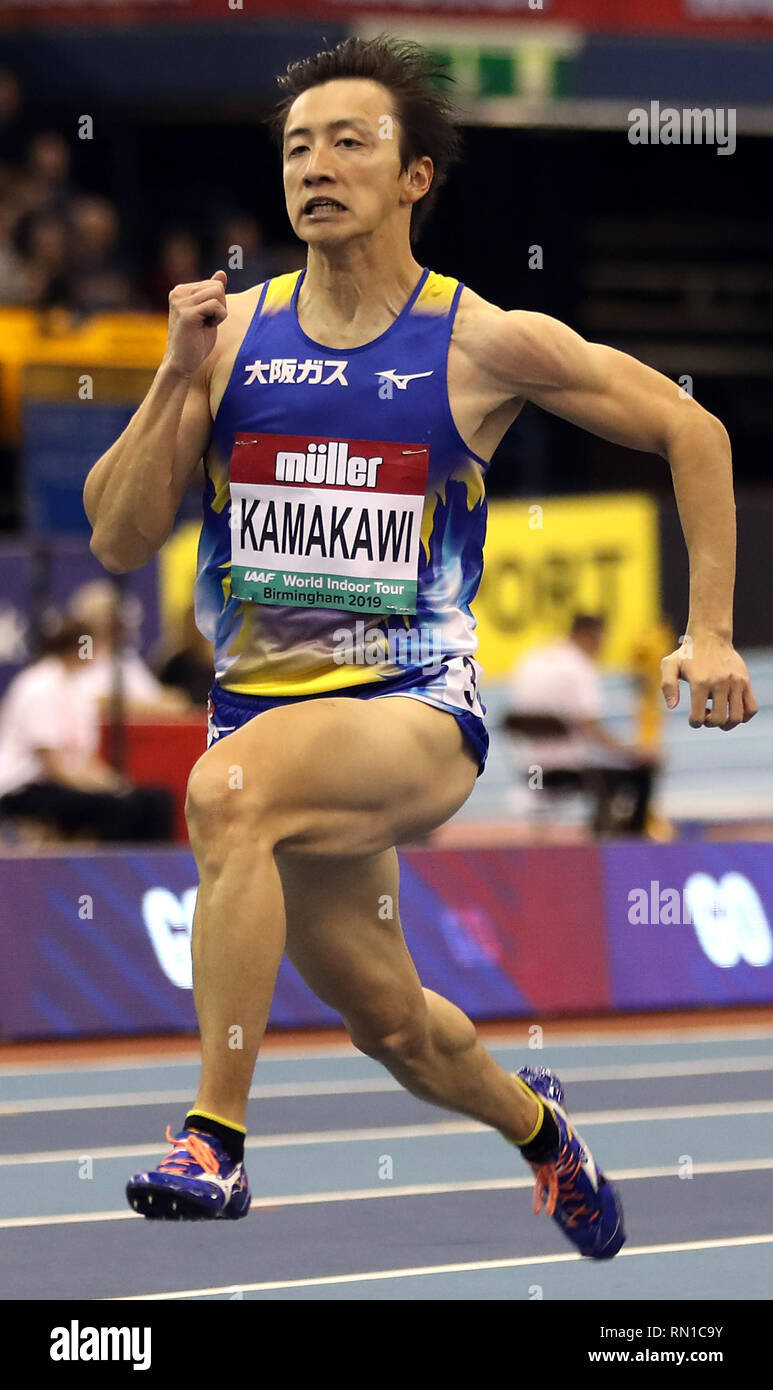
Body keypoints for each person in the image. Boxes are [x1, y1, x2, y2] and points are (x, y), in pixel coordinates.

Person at [83, 36, 757, 1256]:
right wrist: (172, 386)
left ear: (414, 178)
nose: (315, 166)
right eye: (296, 146)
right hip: (272, 721)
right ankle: (538, 1130)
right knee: (392, 1024)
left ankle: (213, 1143)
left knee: (223, 795)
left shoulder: (479, 342)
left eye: (349, 141)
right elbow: (119, 536)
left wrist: (706, 632)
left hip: (411, 709)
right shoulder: (227, 336)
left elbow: (690, 433)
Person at [0, 619, 174, 844]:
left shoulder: (79, 690)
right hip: (27, 786)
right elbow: (52, 765)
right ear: (79, 648)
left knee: (155, 800)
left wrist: (117, 786)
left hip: (66, 782)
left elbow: (87, 760)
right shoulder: (39, 686)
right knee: (113, 807)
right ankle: (114, 871)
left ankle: (155, 872)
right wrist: (103, 791)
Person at [507, 613, 658, 835]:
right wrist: (632, 753)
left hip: (531, 772)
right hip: (570, 773)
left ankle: (606, 831)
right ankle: (628, 844)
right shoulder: (579, 666)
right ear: (592, 636)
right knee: (643, 771)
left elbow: (517, 718)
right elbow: (590, 727)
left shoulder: (531, 660)